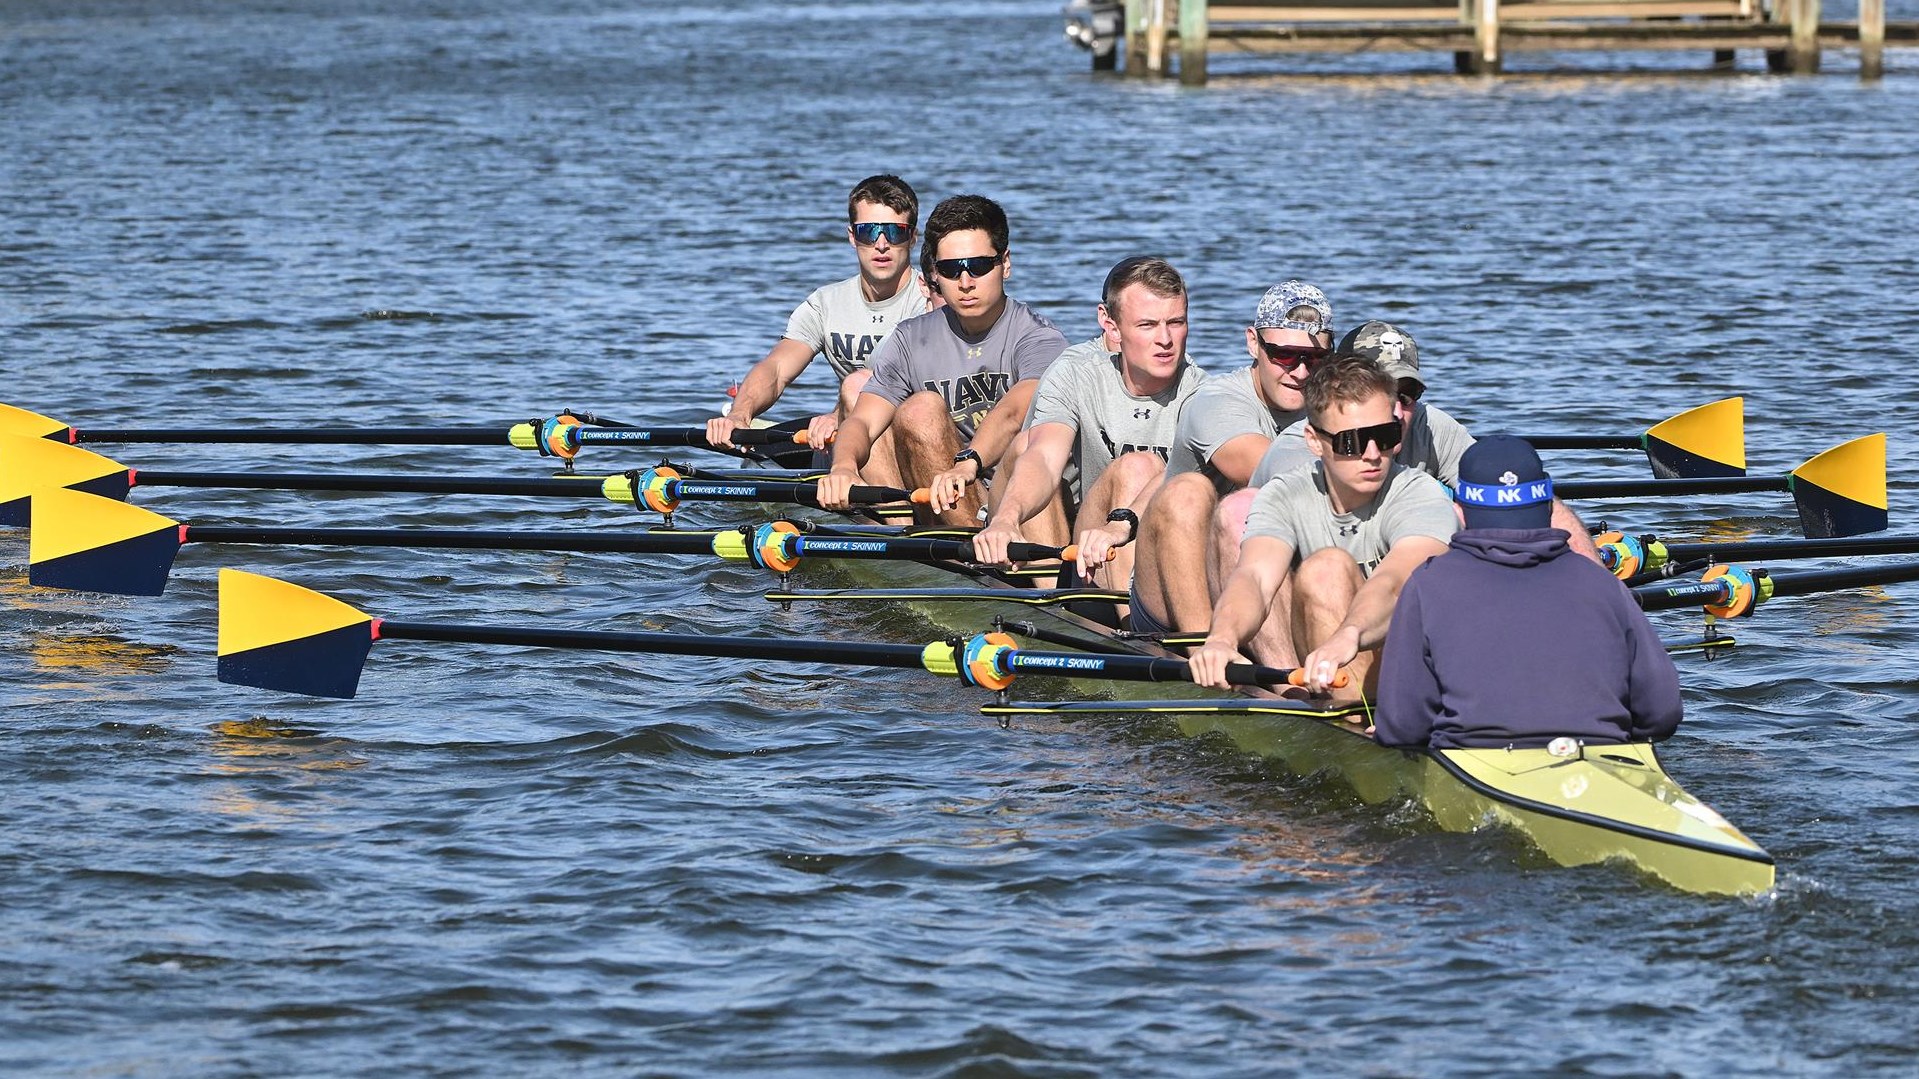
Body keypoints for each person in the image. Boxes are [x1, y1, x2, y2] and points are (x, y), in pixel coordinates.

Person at [1374, 436, 1682, 748]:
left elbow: (1402, 726)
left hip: (1475, 762)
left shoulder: (1427, 585)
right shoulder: (1603, 583)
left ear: (1459, 512)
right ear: (1549, 507)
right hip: (1600, 759)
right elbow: (1663, 713)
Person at [1188, 355, 1458, 696]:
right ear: (1314, 441)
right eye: (1352, 441)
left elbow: (1396, 582)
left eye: (1386, 435)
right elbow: (1254, 578)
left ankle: (1354, 720)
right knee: (1320, 569)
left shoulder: (1421, 494)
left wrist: (1350, 634)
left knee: (1326, 569)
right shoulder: (1285, 494)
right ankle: (1306, 701)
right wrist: (1222, 638)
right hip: (1329, 660)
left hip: (1412, 669)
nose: (1373, 454)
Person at [1252, 320, 1602, 563]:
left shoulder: (1430, 424)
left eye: (1407, 395)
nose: (1397, 413)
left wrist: (1589, 576)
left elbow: (1519, 492)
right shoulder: (1301, 449)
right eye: (1384, 395)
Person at [817, 195, 1069, 526]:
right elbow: (863, 421)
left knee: (1017, 446)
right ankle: (902, 537)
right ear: (935, 273)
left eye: (978, 266)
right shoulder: (910, 338)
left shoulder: (1039, 338)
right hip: (945, 491)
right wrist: (843, 467)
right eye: (951, 270)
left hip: (1023, 499)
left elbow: (1013, 413)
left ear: (1005, 263)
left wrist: (967, 463)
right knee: (910, 407)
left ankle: (989, 564)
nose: (965, 283)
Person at [971, 256, 1208, 588]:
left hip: (1157, 556)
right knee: (1030, 444)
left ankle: (1132, 627)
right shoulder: (1077, 374)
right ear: (1110, 326)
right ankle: (1054, 596)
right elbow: (1042, 457)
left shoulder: (1204, 395)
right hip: (1084, 551)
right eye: (1147, 325)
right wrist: (1007, 519)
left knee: (1139, 468)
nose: (1166, 340)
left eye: (1176, 322)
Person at [1128, 279, 1334, 637]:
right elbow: (1264, 467)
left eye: (1315, 358)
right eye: (1284, 355)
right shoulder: (1216, 403)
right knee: (1207, 496)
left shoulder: (1341, 406)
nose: (1301, 372)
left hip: (1259, 578)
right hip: (1169, 592)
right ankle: (1204, 657)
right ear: (1253, 343)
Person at [707, 175, 927, 454]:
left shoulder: (930, 300)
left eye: (894, 232)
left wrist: (839, 416)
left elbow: (900, 383)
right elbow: (775, 370)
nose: (881, 244)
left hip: (912, 439)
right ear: (852, 237)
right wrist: (740, 413)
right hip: (849, 439)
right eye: (868, 232)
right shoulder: (826, 303)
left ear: (912, 238)